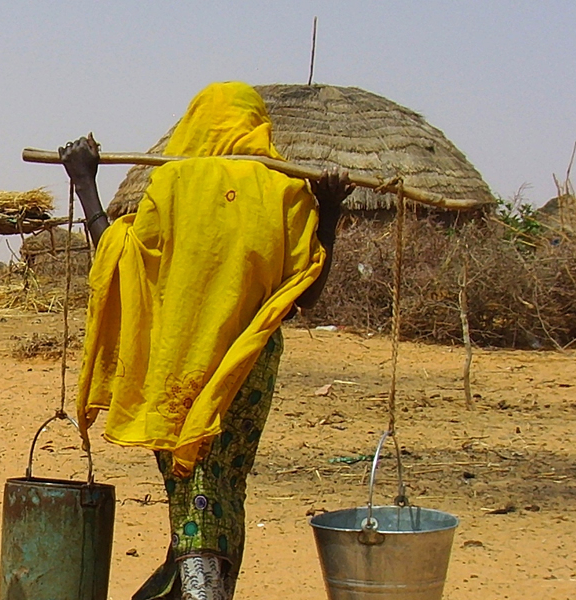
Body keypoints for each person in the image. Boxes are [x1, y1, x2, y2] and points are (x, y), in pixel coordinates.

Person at [61, 82, 350, 600]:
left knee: (193, 477)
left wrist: (85, 183)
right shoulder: (287, 190)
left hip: (181, 360)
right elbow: (306, 296)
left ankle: (201, 593)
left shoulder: (173, 183)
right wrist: (328, 213)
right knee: (226, 482)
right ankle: (199, 587)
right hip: (249, 365)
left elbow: (120, 257)